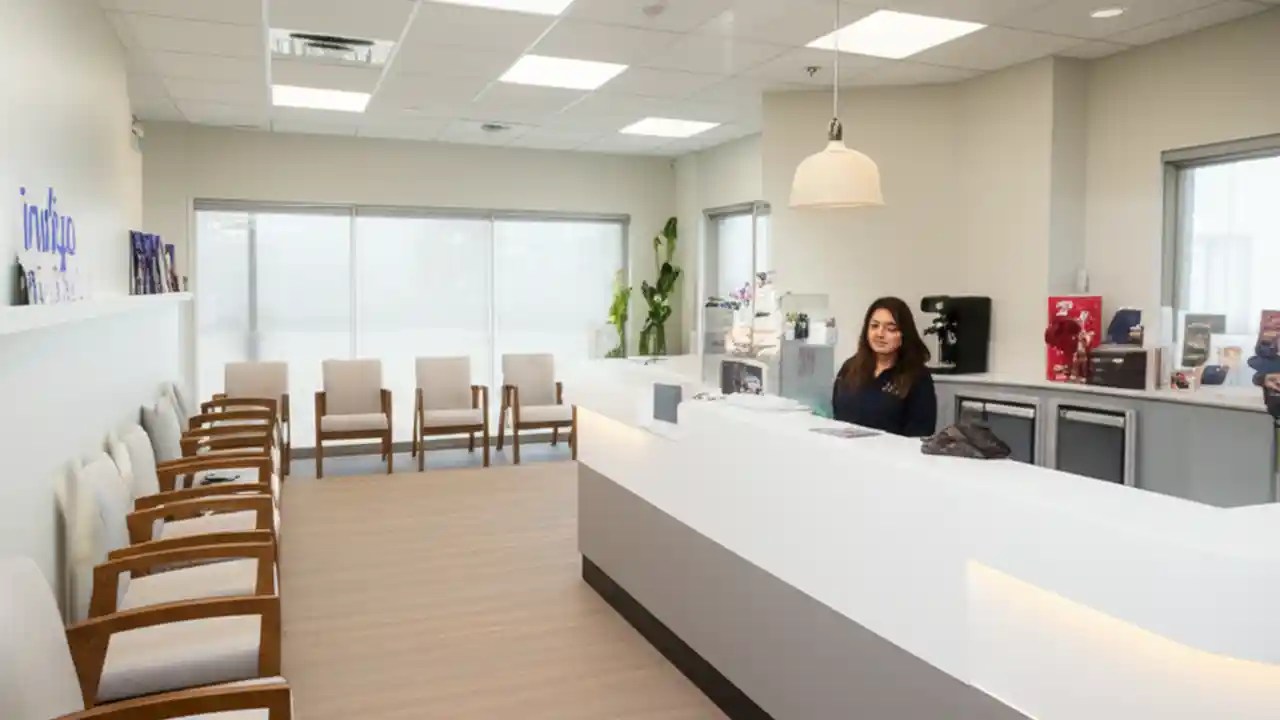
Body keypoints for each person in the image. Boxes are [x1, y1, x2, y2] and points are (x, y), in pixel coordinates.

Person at [832, 297, 937, 437]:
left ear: (904, 334)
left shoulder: (917, 377)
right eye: (874, 326)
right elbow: (837, 415)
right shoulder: (850, 367)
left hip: (892, 450)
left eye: (891, 329)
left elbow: (921, 432)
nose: (880, 334)